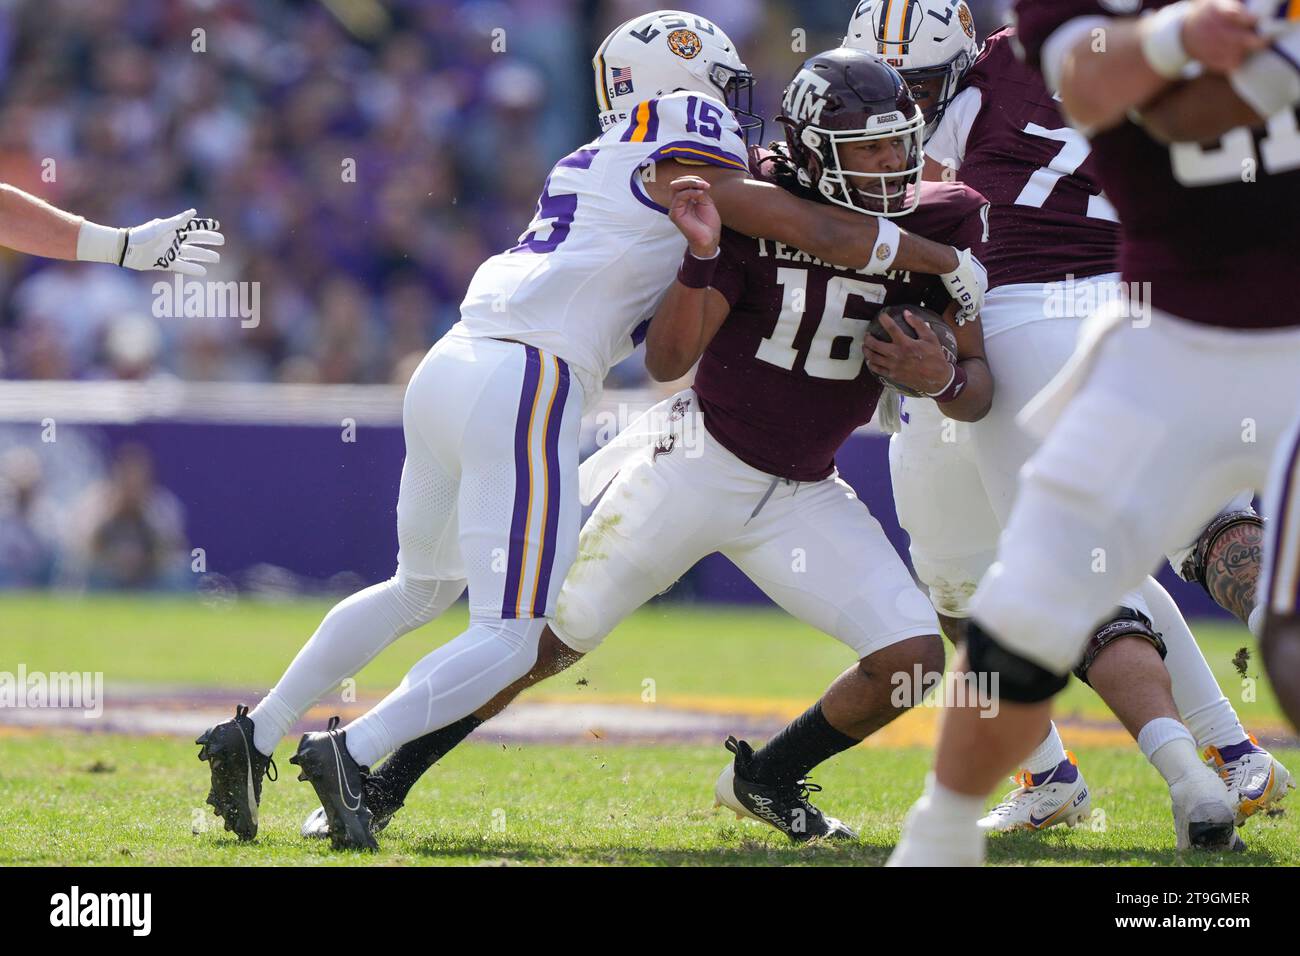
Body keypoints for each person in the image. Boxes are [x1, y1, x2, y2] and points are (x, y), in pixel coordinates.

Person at [196, 10, 991, 848]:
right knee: (528, 638)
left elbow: (972, 384)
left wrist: (941, 372)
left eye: (900, 144)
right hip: (676, 447)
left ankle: (766, 775)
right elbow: (707, 324)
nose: (893, 163)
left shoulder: (930, 210)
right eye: (868, 147)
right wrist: (917, 261)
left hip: (782, 478)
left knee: (910, 660)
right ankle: (370, 768)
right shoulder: (728, 174)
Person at [849, 0, 1291, 836]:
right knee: (1192, 532)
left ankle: (1168, 774)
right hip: (1147, 299)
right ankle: (1225, 759)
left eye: (911, 86)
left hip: (1012, 318)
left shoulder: (983, 88)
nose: (901, 103)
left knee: (1018, 572)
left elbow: (909, 219)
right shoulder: (1089, 53)